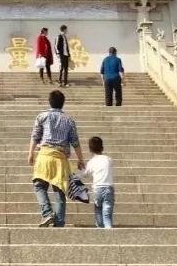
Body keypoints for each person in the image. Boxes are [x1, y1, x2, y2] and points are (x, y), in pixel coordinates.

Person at [28, 89, 85, 228]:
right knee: (59, 190)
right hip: (60, 158)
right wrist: (81, 159)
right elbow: (75, 141)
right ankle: (59, 222)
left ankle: (47, 213)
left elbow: (35, 135)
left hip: (44, 155)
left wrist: (30, 153)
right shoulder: (69, 120)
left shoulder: (42, 116)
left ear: (50, 101)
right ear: (63, 104)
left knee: (39, 186)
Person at [83, 136, 115, 228]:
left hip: (97, 189)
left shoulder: (91, 162)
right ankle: (109, 230)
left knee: (98, 211)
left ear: (90, 149)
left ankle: (99, 229)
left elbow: (85, 174)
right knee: (107, 213)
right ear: (102, 148)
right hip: (108, 188)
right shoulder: (108, 159)